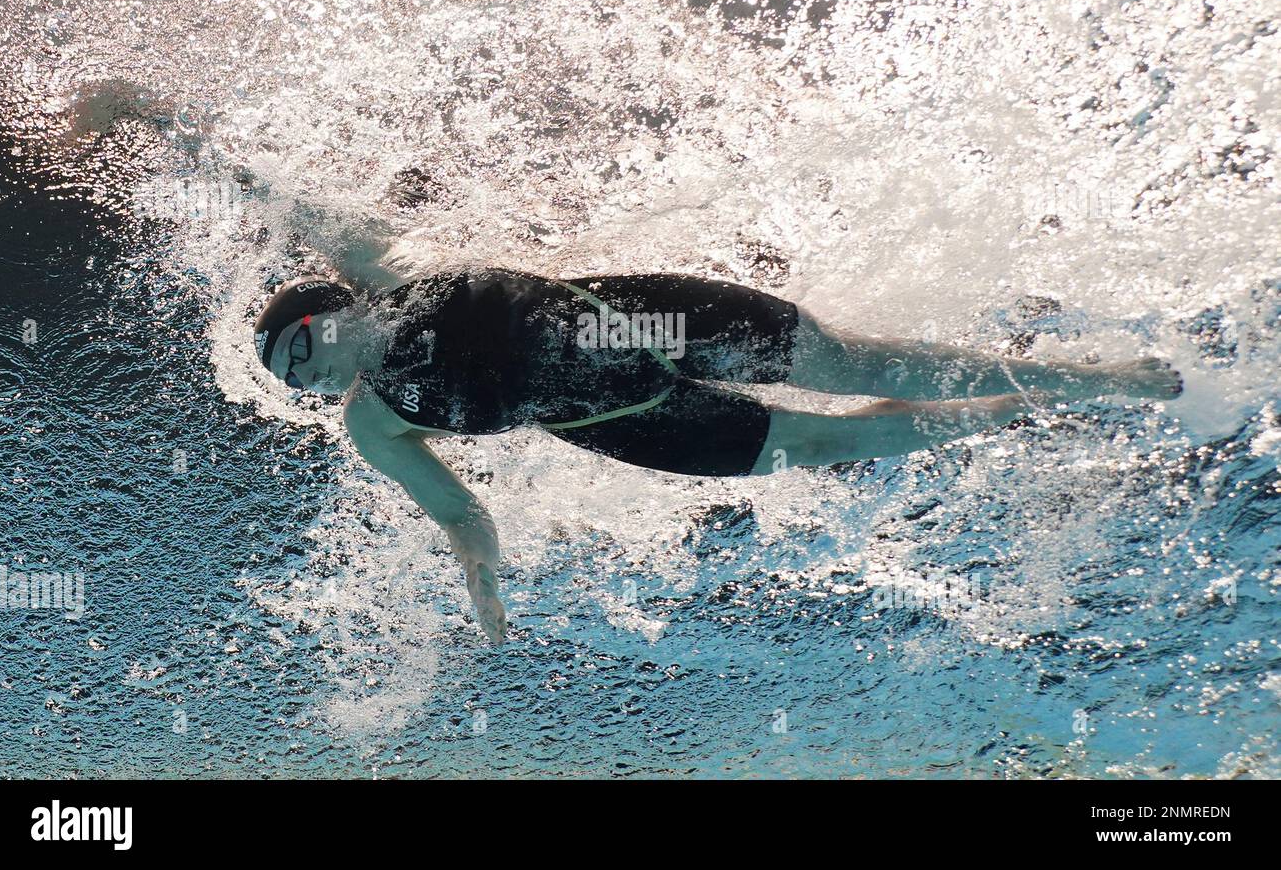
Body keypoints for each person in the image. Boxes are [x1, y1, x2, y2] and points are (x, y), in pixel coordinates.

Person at [252, 256, 1182, 644]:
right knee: (821, 443)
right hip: (622, 421)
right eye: (287, 381)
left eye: (295, 351)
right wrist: (481, 577)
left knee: (848, 362)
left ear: (325, 311)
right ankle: (1016, 408)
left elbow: (309, 202)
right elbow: (461, 511)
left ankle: (1089, 376)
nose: (301, 378)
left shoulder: (388, 271)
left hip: (643, 322)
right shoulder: (374, 423)